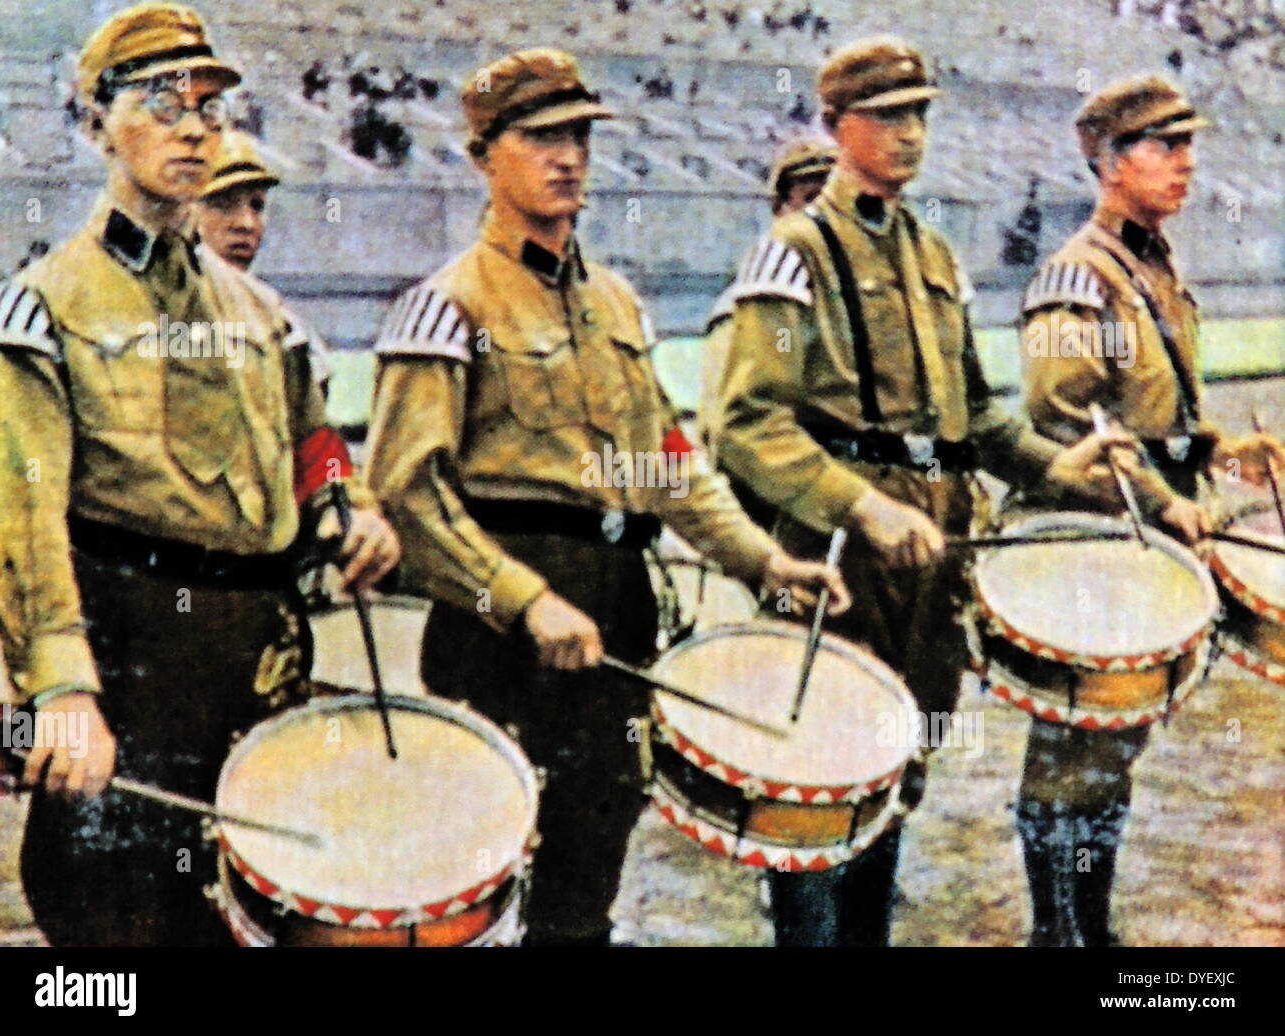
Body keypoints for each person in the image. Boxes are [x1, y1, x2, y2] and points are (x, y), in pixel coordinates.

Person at [362, 48, 849, 948]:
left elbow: (669, 466)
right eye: (541, 136)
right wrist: (524, 601)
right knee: (480, 879)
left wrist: (763, 560)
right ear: (482, 155)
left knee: (589, 870)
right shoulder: (445, 305)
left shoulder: (617, 306)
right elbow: (404, 496)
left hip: (617, 609)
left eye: (580, 136)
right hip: (498, 621)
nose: (569, 156)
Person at [713, 36, 1146, 947]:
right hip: (841, 555)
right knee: (822, 789)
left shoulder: (935, 255)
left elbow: (976, 417)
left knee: (900, 771)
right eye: (886, 116)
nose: (909, 134)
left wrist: (1048, 466)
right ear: (835, 127)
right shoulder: (792, 257)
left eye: (920, 115)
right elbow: (748, 425)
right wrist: (860, 504)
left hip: (934, 553)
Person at [0, 3, 398, 947]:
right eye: (162, 103)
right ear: (96, 123)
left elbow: (315, 442)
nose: (193, 127)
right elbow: (21, 515)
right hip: (131, 672)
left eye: (210, 106)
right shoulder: (40, 307)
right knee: (114, 930)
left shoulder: (264, 314)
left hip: (259, 672)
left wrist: (348, 508)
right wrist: (61, 690)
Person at [1015, 74, 1284, 946]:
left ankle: (1085, 927)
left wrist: (1215, 449)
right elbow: (1066, 425)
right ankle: (1061, 933)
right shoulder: (1076, 277)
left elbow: (1149, 407)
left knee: (1110, 743)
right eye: (1164, 147)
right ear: (1107, 162)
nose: (1186, 163)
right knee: (1073, 753)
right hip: (1093, 542)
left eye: (1188, 145)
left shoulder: (1151, 267)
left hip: (1142, 535)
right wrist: (1171, 501)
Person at [701, 136, 835, 524]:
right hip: (793, 522)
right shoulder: (746, 307)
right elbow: (725, 437)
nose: (823, 219)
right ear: (780, 210)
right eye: (810, 200)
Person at [197, 130, 331, 396]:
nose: (246, 224)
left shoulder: (284, 324)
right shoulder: (151, 309)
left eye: (256, 206)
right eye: (224, 205)